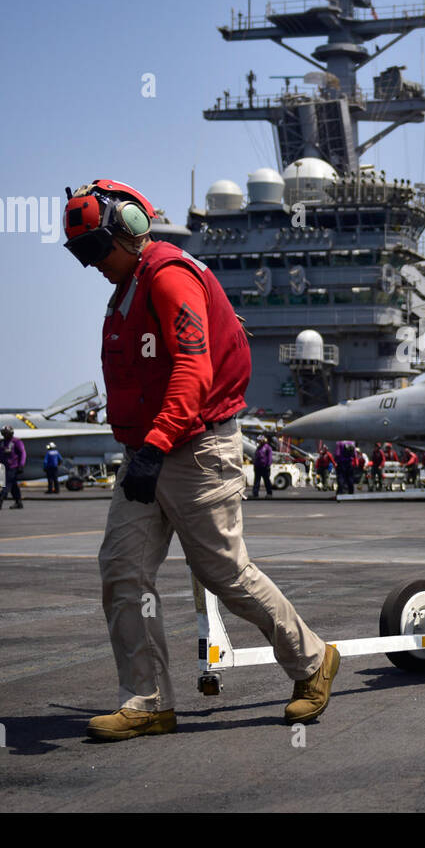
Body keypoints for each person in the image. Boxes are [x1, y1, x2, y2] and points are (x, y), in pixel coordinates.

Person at [62, 178, 338, 739]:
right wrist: (146, 450)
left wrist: (157, 446)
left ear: (129, 230)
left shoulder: (168, 279)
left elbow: (194, 371)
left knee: (224, 574)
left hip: (195, 448)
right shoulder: (128, 288)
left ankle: (313, 662)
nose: (92, 265)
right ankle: (148, 701)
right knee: (122, 572)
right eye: (81, 255)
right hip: (151, 452)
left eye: (96, 250)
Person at [0, 425, 26, 509]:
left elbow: (22, 453)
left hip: (14, 467)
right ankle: (18, 502)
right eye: (4, 434)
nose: (5, 435)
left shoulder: (17, 442)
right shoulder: (2, 442)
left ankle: (0, 499)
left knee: (7, 484)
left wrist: (21, 465)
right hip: (5, 467)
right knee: (13, 486)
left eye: (6, 433)